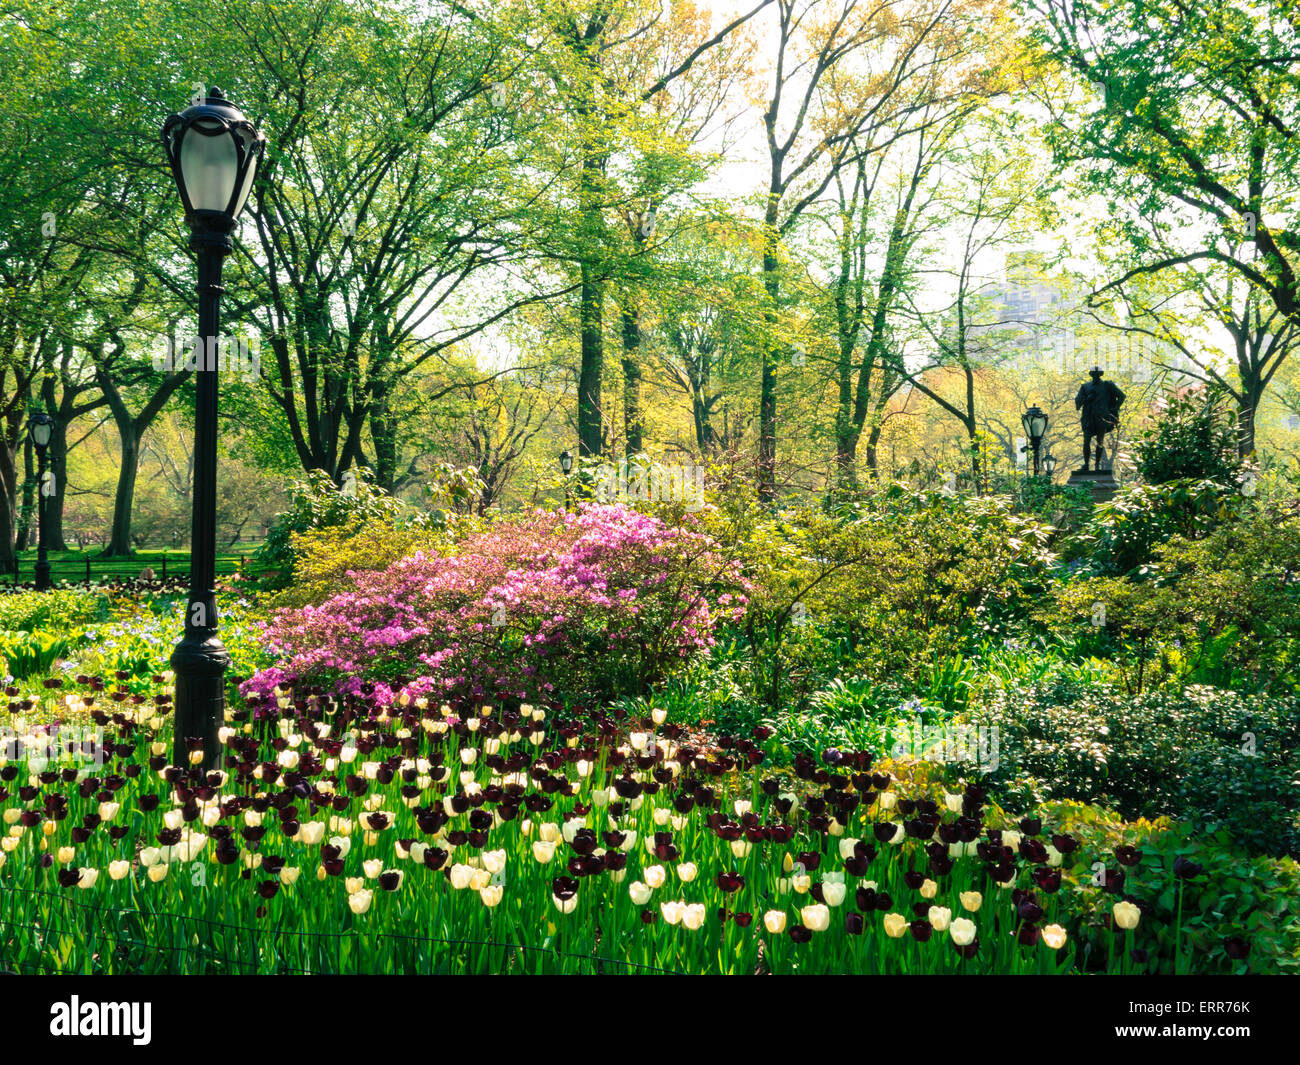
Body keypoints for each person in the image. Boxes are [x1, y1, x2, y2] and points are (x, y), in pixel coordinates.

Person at [1074, 366, 1125, 472]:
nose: (1095, 376)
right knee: (1086, 440)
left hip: (1102, 417)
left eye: (1097, 374)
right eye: (1093, 374)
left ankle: (1097, 464)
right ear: (1091, 375)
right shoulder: (1085, 387)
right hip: (1088, 417)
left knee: (1100, 441)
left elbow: (1121, 396)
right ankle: (1086, 464)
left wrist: (1114, 409)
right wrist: (1087, 399)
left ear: (1100, 374)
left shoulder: (1107, 385)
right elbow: (1078, 400)